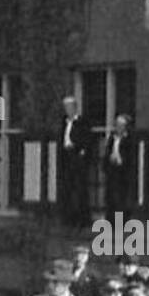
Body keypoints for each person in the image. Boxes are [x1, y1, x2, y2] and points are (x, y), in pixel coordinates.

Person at [57, 96, 94, 227]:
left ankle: (83, 219)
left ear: (74, 107)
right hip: (66, 157)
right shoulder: (64, 122)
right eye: (65, 108)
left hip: (77, 157)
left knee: (80, 189)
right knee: (67, 188)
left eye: (69, 107)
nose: (67, 110)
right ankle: (68, 219)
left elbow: (88, 140)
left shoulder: (82, 122)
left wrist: (81, 151)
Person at [103, 114, 135, 215]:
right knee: (110, 197)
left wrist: (120, 159)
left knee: (121, 198)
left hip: (123, 172)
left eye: (121, 126)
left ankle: (121, 222)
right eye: (117, 125)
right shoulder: (112, 138)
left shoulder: (129, 140)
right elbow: (107, 151)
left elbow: (130, 156)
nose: (118, 128)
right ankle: (110, 220)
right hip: (112, 170)